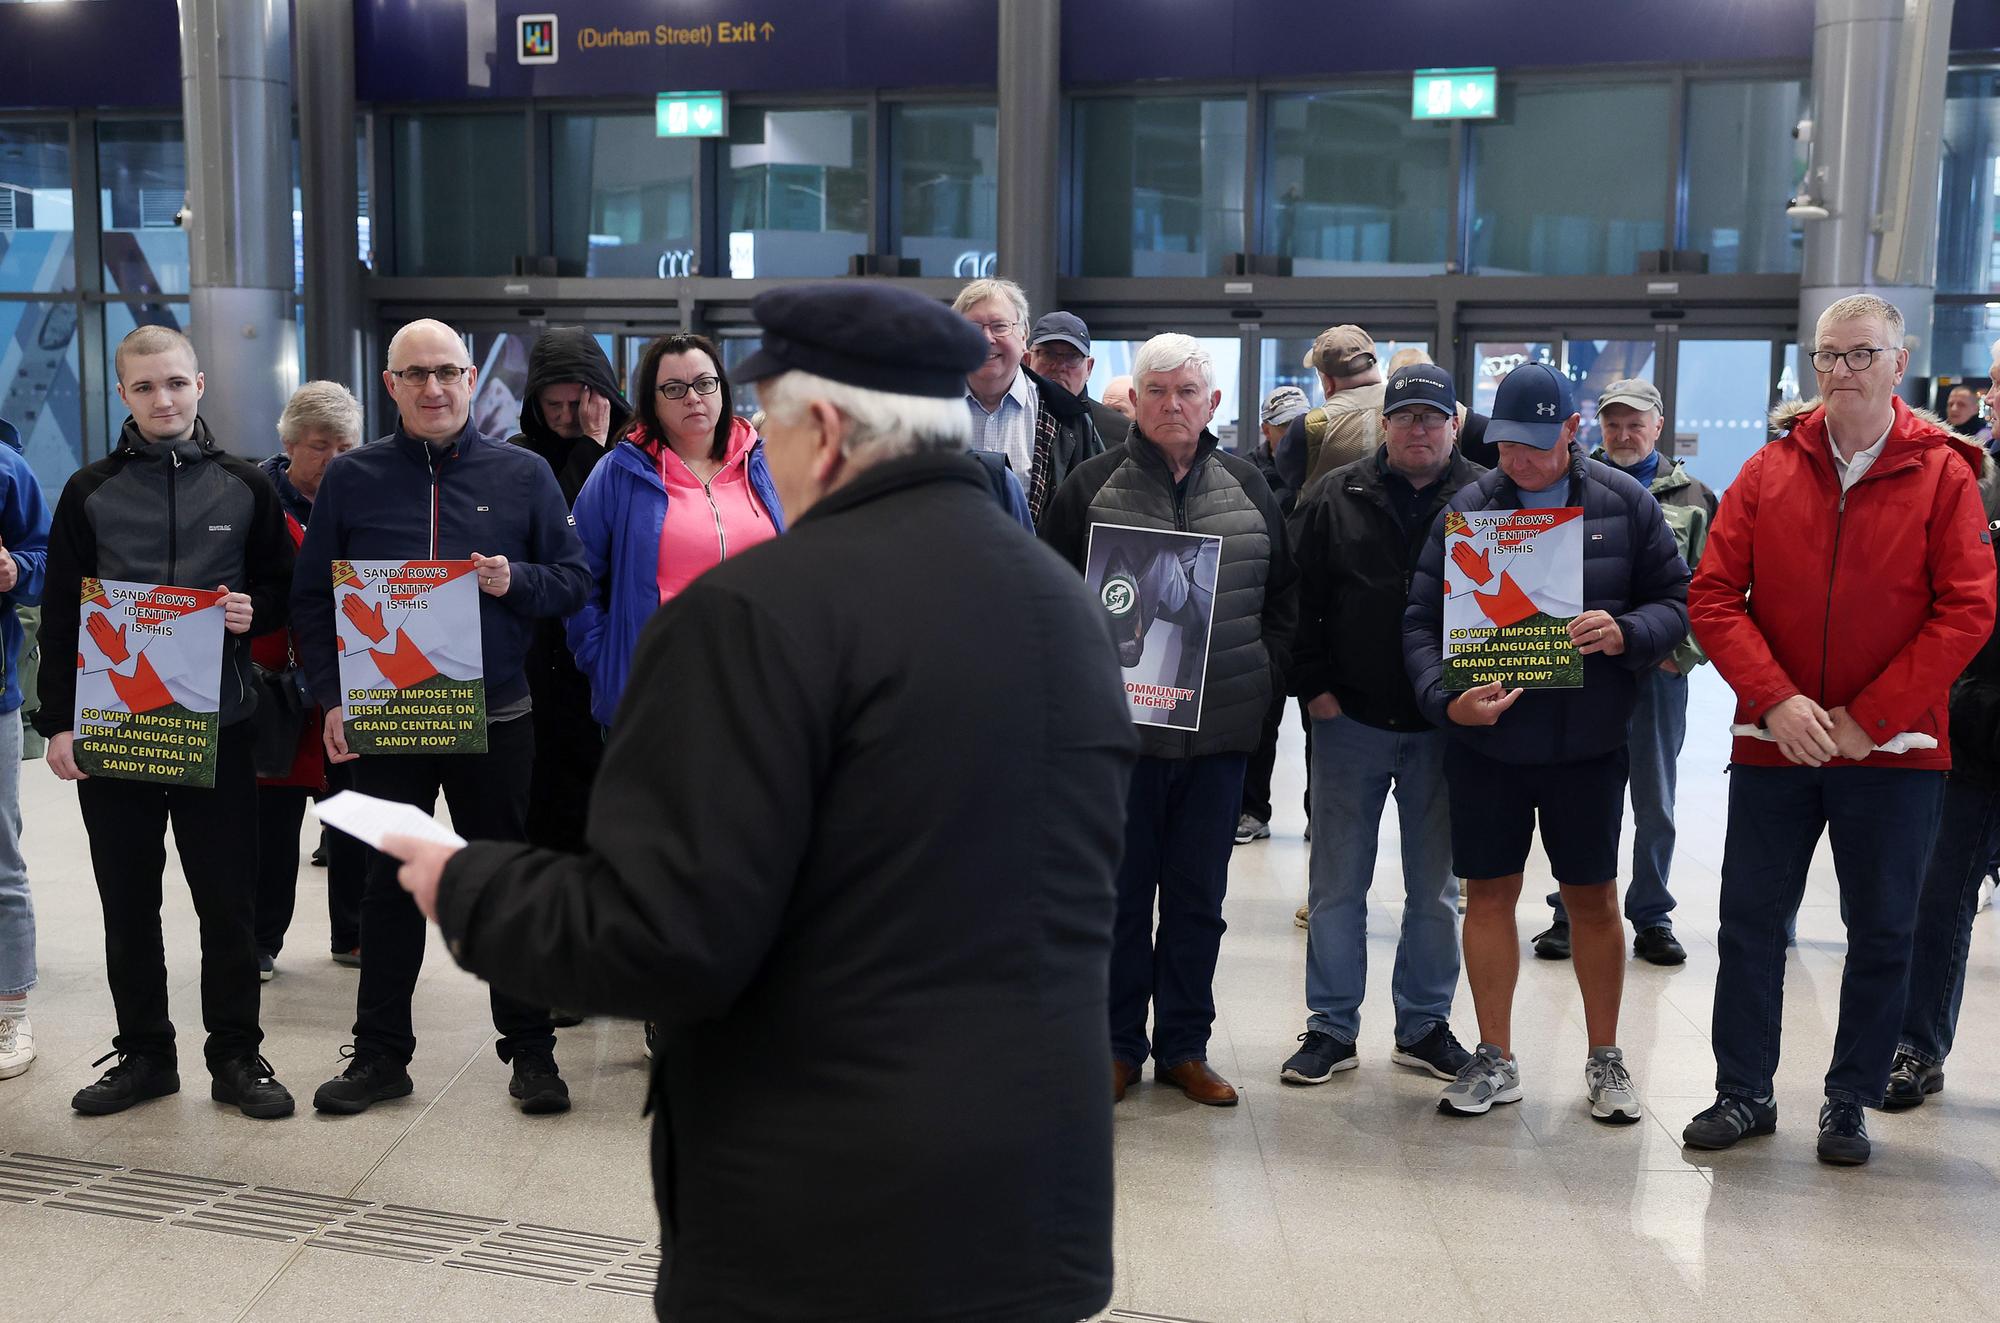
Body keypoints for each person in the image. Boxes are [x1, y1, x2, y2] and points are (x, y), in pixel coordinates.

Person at [368, 282, 1134, 1323]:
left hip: (822, 1207)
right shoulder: (1062, 607)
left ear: (819, 426)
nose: (757, 453)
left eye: (763, 425)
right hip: (1033, 1192)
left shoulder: (752, 614)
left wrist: (467, 882)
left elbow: (662, 936)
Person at [1682, 295, 1995, 1167]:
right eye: (1828, 356)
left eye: (1862, 355)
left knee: (1885, 928)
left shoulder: (1945, 474)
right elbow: (1712, 594)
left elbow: (1967, 608)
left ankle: (1848, 1100)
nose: (1843, 371)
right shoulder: (1767, 470)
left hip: (1894, 755)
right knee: (1749, 922)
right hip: (1773, 744)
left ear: (1901, 363)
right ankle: (1742, 1090)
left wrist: (1872, 718)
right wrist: (1777, 699)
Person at [292, 318, 591, 1117]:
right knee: (391, 887)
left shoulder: (523, 474)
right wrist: (332, 697)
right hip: (390, 720)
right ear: (390, 385)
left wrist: (512, 580)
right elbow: (313, 599)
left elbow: (573, 580)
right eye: (415, 374)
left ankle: (532, 1052)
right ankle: (382, 1057)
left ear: (470, 379)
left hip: (497, 717)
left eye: (448, 371)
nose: (433, 387)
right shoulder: (352, 478)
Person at [1403, 361, 1689, 1124]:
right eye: (1505, 444)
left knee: (1593, 897)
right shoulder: (1467, 509)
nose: (1519, 460)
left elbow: (1677, 601)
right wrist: (1445, 701)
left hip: (1587, 745)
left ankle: (1606, 1056)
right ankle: (1494, 1055)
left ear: (1572, 429)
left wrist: (1627, 630)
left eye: (1536, 443)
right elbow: (1421, 623)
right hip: (1487, 745)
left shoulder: (1624, 504)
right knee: (1488, 893)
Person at [37, 325, 298, 1119]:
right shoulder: (89, 490)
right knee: (128, 901)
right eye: (146, 387)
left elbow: (282, 592)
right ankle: (146, 1054)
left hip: (218, 727)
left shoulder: (247, 485)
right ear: (124, 395)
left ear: (200, 384)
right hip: (119, 728)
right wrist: (58, 722)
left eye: (176, 383)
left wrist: (254, 614)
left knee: (228, 904)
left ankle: (237, 1055)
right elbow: (61, 613)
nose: (164, 399)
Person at [1041, 333, 1298, 1107]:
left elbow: (1284, 604)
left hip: (1217, 742)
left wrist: (1259, 688)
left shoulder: (1250, 487)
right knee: (1119, 899)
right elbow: (1046, 605)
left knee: (1198, 903)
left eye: (1187, 391)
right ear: (1137, 401)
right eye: (1157, 391)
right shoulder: (1089, 485)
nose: (1172, 405)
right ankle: (1118, 1044)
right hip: (1121, 744)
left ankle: (1185, 1046)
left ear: (1213, 402)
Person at [1282, 364, 1482, 1087]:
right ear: (1384, 426)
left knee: (1435, 888)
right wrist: (1314, 688)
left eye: (1433, 417)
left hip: (1445, 724)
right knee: (1337, 884)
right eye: (1407, 417)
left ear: (1454, 424)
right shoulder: (1336, 495)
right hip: (1351, 718)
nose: (1420, 429)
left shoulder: (1488, 500)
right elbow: (1298, 596)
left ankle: (1424, 1023)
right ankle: (1331, 1026)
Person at [1531, 379, 1717, 968]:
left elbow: (1714, 590)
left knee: (1654, 798)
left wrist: (1678, 653)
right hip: (1582, 670)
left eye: (1635, 422)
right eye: (1613, 423)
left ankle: (1652, 915)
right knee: (1579, 789)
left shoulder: (1695, 496)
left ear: (1659, 425)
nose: (1624, 434)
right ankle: (1571, 909)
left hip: (1659, 673)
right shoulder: (1571, 486)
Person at [1885, 355, 2000, 1109]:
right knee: (1939, 892)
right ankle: (1918, 1046)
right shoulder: (1974, 478)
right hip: (1980, 726)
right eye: (1996, 385)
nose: (1993, 397)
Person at [568, 332, 783, 729]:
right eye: (674, 388)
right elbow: (576, 575)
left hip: (763, 685)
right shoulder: (619, 473)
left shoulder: (767, 466)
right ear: (651, 400)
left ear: (721, 387)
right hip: (660, 688)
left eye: (704, 383)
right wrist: (601, 658)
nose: (693, 397)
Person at [254, 382, 366, 979]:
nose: (335, 460)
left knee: (352, 810)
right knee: (270, 821)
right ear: (291, 444)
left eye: (346, 446)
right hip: (271, 682)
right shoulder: (253, 500)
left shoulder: (366, 496)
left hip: (348, 680)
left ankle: (353, 934)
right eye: (321, 446)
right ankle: (261, 939)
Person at [509, 328, 633, 854]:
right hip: (542, 657)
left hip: (610, 643)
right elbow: (564, 533)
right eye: (553, 404)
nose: (565, 416)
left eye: (577, 404)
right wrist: (588, 446)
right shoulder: (519, 457)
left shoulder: (633, 453)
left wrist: (599, 446)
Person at [954, 278, 1103, 521]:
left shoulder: (1067, 417)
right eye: (973, 327)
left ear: (1023, 335)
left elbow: (1088, 515)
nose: (986, 338)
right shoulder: (924, 412)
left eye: (1000, 326)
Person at [1238, 383, 1310, 847]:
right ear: (1267, 429)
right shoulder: (1245, 474)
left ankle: (1318, 814)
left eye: (1301, 427)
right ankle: (1251, 809)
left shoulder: (1322, 466)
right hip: (1263, 608)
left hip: (1313, 609)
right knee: (1260, 719)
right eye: (1286, 429)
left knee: (1319, 723)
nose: (1294, 437)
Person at [0, 416, 49, 1082]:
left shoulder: (7, 467)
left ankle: (10, 1008)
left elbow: (50, 563)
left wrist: (15, 568)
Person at [1274, 324, 1385, 497]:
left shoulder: (1309, 427)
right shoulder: (1402, 409)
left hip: (1327, 523)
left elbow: (1289, 477)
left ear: (1328, 381)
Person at [1026, 310, 1128, 446]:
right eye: (1048, 354)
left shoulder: (1119, 433)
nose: (1059, 366)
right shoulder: (1007, 416)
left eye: (1072, 356)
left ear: (1089, 368)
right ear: (1027, 361)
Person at [1943, 381, 1991, 449]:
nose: (1954, 409)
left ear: (1976, 409)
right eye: (1950, 404)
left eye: (1961, 405)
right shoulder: (1941, 433)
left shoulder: (1986, 437)